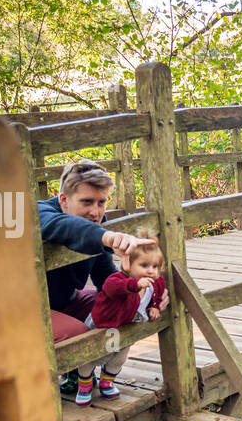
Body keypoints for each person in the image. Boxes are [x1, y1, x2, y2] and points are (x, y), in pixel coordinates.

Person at [38, 160, 168, 396]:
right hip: (22, 313)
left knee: (121, 305)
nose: (96, 212)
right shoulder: (39, 212)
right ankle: (72, 376)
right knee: (79, 336)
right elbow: (65, 226)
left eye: (101, 202)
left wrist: (146, 293)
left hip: (65, 300)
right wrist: (108, 237)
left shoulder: (98, 222)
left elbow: (106, 278)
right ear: (63, 200)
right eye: (87, 202)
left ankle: (90, 374)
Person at [75, 232, 166, 404]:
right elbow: (111, 288)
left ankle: (107, 382)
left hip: (126, 325)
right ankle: (85, 384)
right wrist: (134, 285)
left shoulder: (156, 282)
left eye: (155, 266)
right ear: (127, 264)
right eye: (144, 265)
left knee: (119, 357)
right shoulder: (119, 279)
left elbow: (159, 291)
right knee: (90, 356)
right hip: (103, 323)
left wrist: (155, 306)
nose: (151, 271)